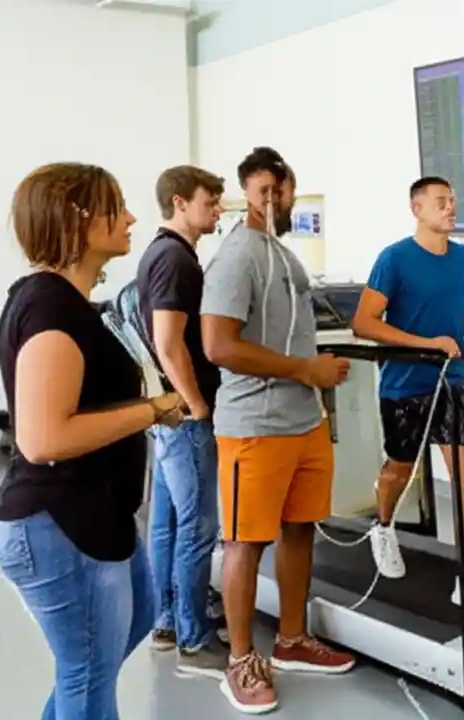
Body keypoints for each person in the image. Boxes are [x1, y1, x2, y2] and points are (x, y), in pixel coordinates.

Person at [0, 162, 186, 718]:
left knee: (127, 627)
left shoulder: (73, 307)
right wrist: (149, 410)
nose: (130, 218)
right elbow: (44, 436)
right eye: (115, 206)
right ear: (75, 219)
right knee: (89, 671)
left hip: (95, 513)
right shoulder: (50, 309)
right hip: (56, 521)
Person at [201, 146, 354, 714]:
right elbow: (219, 345)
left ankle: (291, 639)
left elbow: (296, 331)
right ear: (257, 193)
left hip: (303, 421)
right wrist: (304, 370)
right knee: (246, 542)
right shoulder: (237, 256)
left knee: (300, 529)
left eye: (280, 192)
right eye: (269, 193)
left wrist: (316, 372)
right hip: (254, 427)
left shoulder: (284, 256)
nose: (279, 201)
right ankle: (240, 658)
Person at [352, 176, 464, 615]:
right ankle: (383, 527)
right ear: (417, 209)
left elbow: (449, 315)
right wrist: (423, 345)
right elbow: (364, 323)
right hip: (406, 383)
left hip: (452, 378)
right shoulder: (395, 259)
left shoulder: (459, 256)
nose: (450, 208)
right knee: (399, 471)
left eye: (452, 202)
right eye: (441, 202)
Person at [137, 165, 229, 677]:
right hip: (185, 415)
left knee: (167, 524)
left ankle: (168, 622)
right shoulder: (175, 260)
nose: (216, 211)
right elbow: (170, 344)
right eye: (208, 202)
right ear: (178, 203)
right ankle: (195, 638)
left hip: (168, 414)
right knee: (197, 527)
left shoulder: (161, 254)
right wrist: (197, 405)